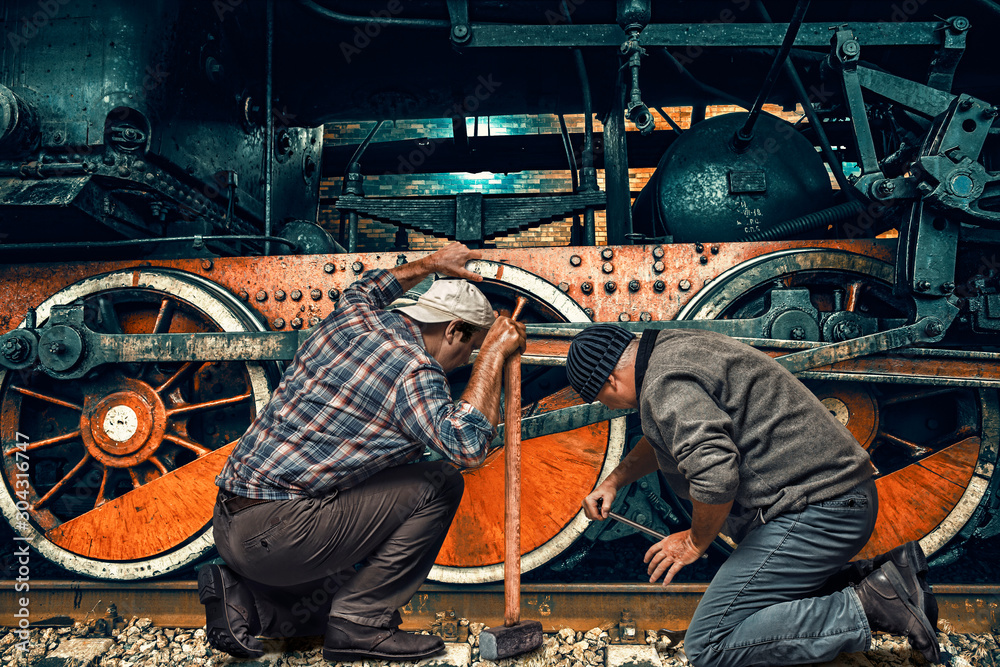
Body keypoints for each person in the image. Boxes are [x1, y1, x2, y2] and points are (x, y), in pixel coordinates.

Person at [198, 242, 526, 663]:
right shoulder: (413, 371)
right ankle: (362, 624)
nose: (463, 362)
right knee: (440, 482)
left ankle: (241, 597)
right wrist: (494, 356)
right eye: (469, 349)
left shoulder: (352, 318)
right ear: (453, 331)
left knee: (325, 604)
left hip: (229, 523)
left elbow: (366, 287)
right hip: (277, 535)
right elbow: (469, 446)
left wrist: (430, 264)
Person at [568, 325, 940, 667]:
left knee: (709, 644)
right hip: (833, 500)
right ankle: (884, 577)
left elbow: (714, 472)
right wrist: (613, 481)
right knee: (760, 613)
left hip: (820, 511)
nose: (612, 408)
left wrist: (696, 542)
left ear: (612, 381)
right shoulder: (672, 350)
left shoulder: (664, 384)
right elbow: (667, 437)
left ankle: (873, 604)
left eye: (603, 400)